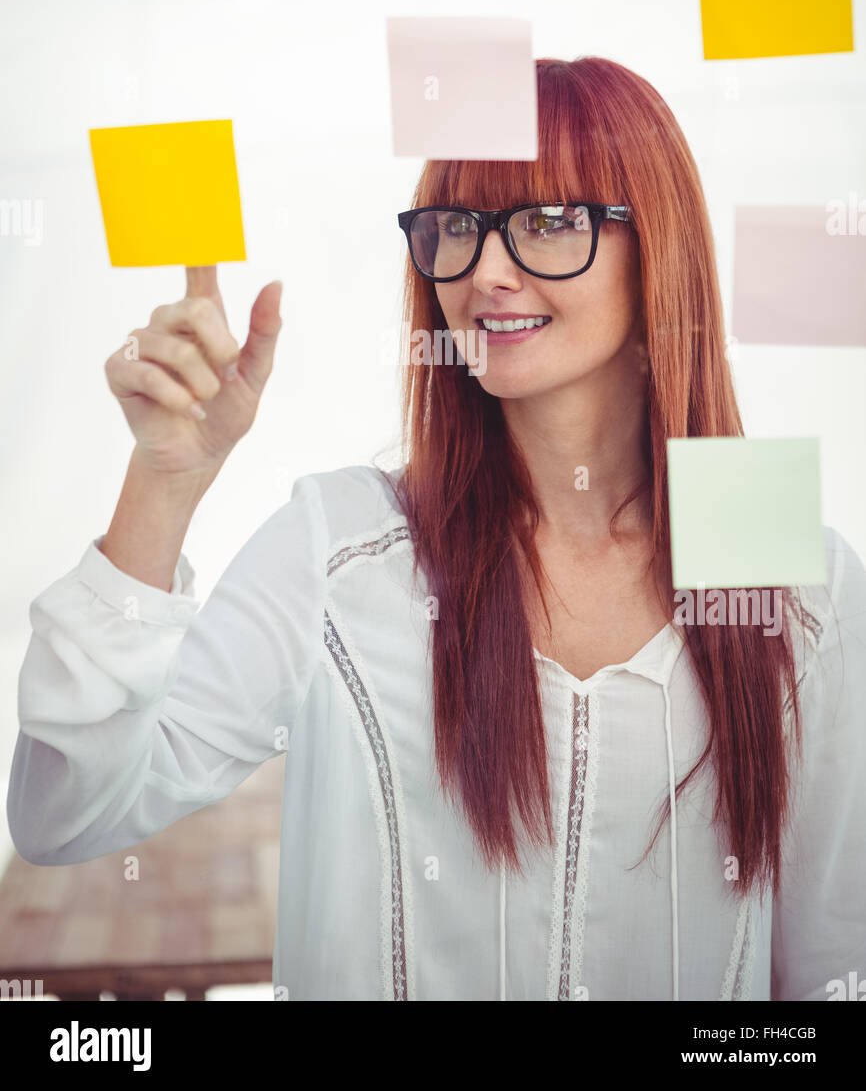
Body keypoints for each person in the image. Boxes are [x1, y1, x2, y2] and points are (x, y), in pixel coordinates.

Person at [7, 56, 866, 1001]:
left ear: (656, 246)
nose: (485, 272)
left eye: (547, 222)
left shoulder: (794, 564)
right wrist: (166, 481)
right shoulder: (337, 547)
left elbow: (831, 969)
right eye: (458, 227)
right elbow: (63, 815)